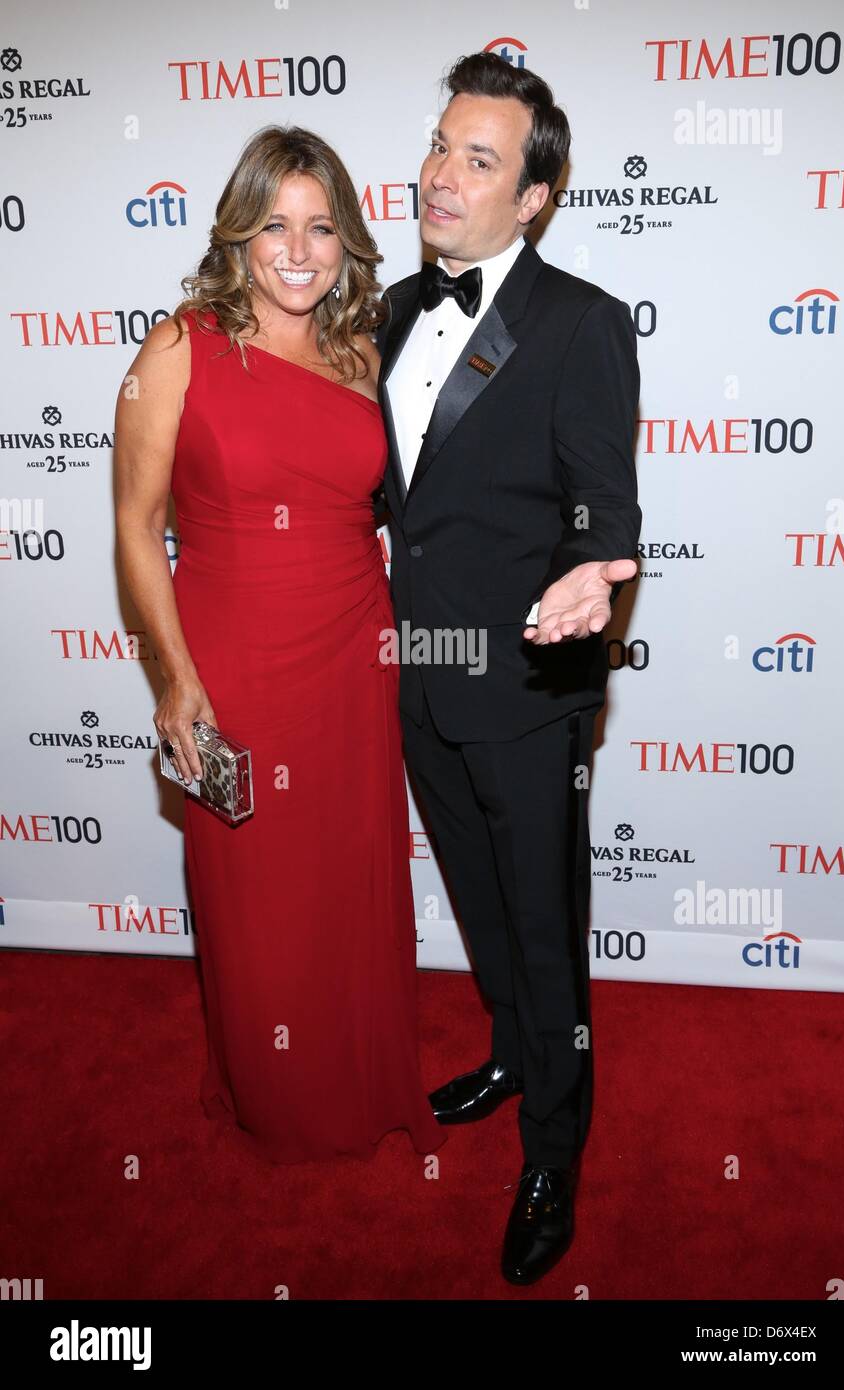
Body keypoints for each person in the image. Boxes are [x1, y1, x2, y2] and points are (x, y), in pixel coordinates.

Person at [114, 124, 446, 1166]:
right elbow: (134, 524)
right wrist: (174, 684)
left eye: (319, 227)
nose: (297, 250)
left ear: (346, 239)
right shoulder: (178, 346)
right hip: (235, 659)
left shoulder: (358, 351)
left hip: (355, 651)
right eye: (273, 226)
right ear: (237, 234)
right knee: (256, 893)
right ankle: (277, 1091)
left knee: (348, 880)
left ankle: (355, 1074)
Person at [376, 52, 641, 1283]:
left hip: (530, 689)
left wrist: (599, 566)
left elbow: (602, 502)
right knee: (481, 904)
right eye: (439, 146)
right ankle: (508, 1051)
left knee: (544, 926)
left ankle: (554, 1146)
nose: (440, 174)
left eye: (476, 160)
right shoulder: (383, 311)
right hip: (422, 671)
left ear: (531, 195)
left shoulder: (580, 321)